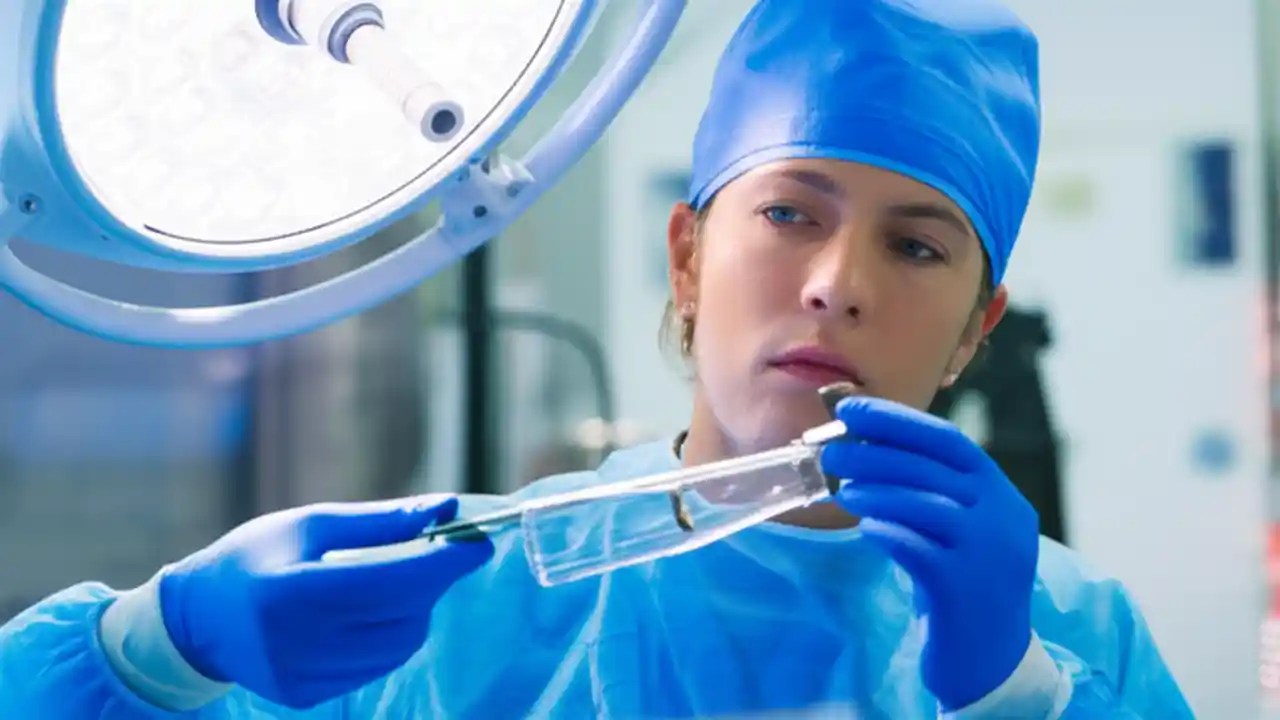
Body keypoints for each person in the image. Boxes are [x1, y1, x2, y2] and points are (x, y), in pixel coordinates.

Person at [0, 0, 1195, 717]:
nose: (838, 281)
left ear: (974, 332)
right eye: (788, 214)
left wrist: (1014, 697)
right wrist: (155, 648)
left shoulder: (1066, 632)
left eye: (918, 246)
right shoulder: (466, 601)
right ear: (687, 257)